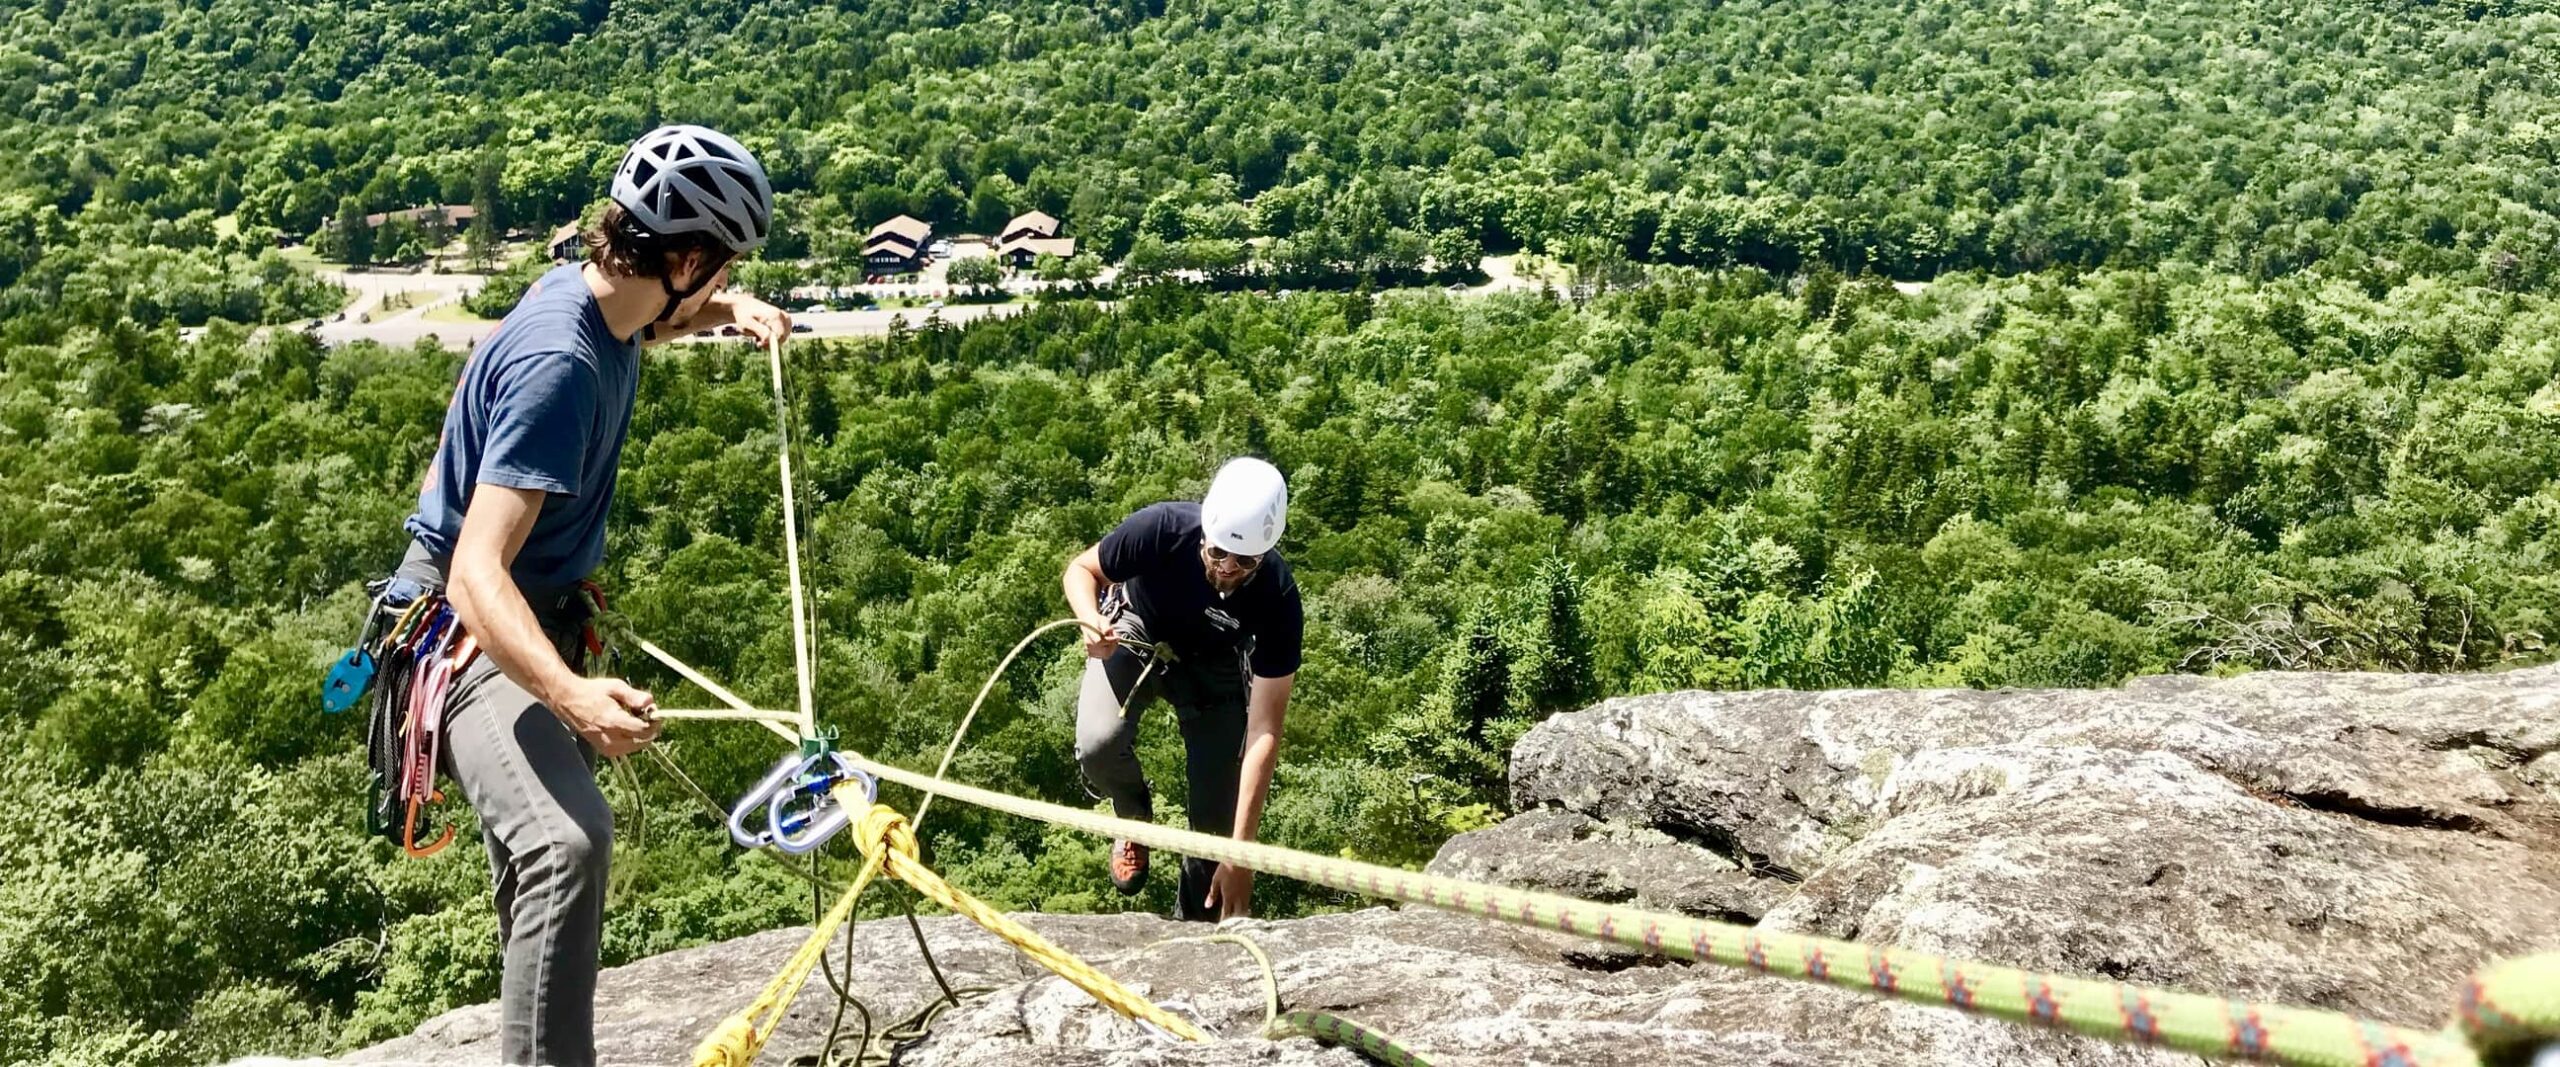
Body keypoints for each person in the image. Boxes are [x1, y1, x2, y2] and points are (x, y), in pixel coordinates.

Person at [385, 124, 791, 1067]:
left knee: (538, 859)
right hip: (462, 630)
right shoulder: (559, 367)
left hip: (523, 615)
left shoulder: (596, 298)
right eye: (720, 266)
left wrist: (731, 313)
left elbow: (655, 322)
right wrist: (569, 695)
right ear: (685, 256)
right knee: (565, 845)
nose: (721, 278)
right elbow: (474, 570)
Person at [1060, 458, 1303, 921]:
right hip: (1137, 631)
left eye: (1244, 561)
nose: (1228, 568)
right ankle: (1134, 817)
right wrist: (1091, 620)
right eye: (1217, 554)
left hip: (1216, 667)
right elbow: (1081, 570)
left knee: (1215, 834)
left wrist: (1240, 854)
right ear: (1205, 535)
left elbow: (1264, 731)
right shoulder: (1164, 528)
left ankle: (1195, 930)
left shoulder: (1278, 597)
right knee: (1098, 746)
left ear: (1265, 553)